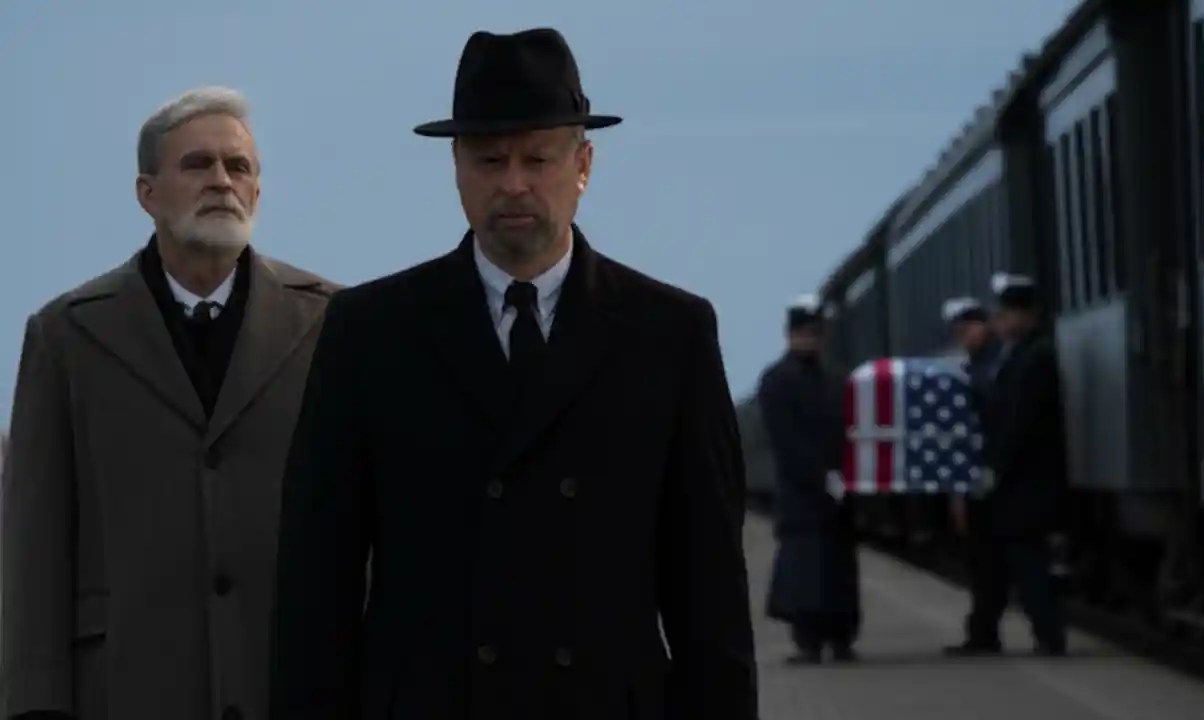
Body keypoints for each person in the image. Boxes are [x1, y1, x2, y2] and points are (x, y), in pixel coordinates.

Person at [268, 27, 758, 720]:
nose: (514, 184)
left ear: (584, 163)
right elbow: (317, 580)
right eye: (490, 160)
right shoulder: (371, 330)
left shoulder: (669, 333)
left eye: (538, 158)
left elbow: (709, 588)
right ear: (456, 168)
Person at [0, 87, 340, 720]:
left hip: (294, 687)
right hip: (126, 691)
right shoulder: (67, 335)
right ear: (146, 194)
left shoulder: (332, 322)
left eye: (238, 167)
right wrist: (32, 706)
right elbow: (34, 547)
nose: (221, 181)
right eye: (197, 164)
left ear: (258, 192)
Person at [965, 272, 1068, 657]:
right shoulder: (1016, 355)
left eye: (1007, 314)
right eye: (1001, 314)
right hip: (1014, 482)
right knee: (1001, 561)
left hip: (1026, 482)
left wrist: (994, 465)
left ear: (1027, 315)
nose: (1001, 322)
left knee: (1029, 563)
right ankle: (985, 634)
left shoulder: (1035, 357)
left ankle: (1049, 636)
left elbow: (1019, 420)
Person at [757, 295, 859, 664]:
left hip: (837, 494)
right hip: (802, 494)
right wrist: (821, 476)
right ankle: (809, 642)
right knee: (805, 571)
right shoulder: (776, 380)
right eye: (802, 333)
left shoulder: (836, 379)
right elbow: (786, 441)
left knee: (839, 568)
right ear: (790, 335)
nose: (809, 340)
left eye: (814, 333)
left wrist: (845, 474)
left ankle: (842, 638)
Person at [939, 296, 1008, 656]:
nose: (964, 335)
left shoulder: (993, 369)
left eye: (969, 327)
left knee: (988, 562)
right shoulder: (978, 367)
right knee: (981, 562)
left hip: (991, 481)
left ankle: (985, 633)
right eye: (959, 331)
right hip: (976, 480)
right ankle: (982, 631)